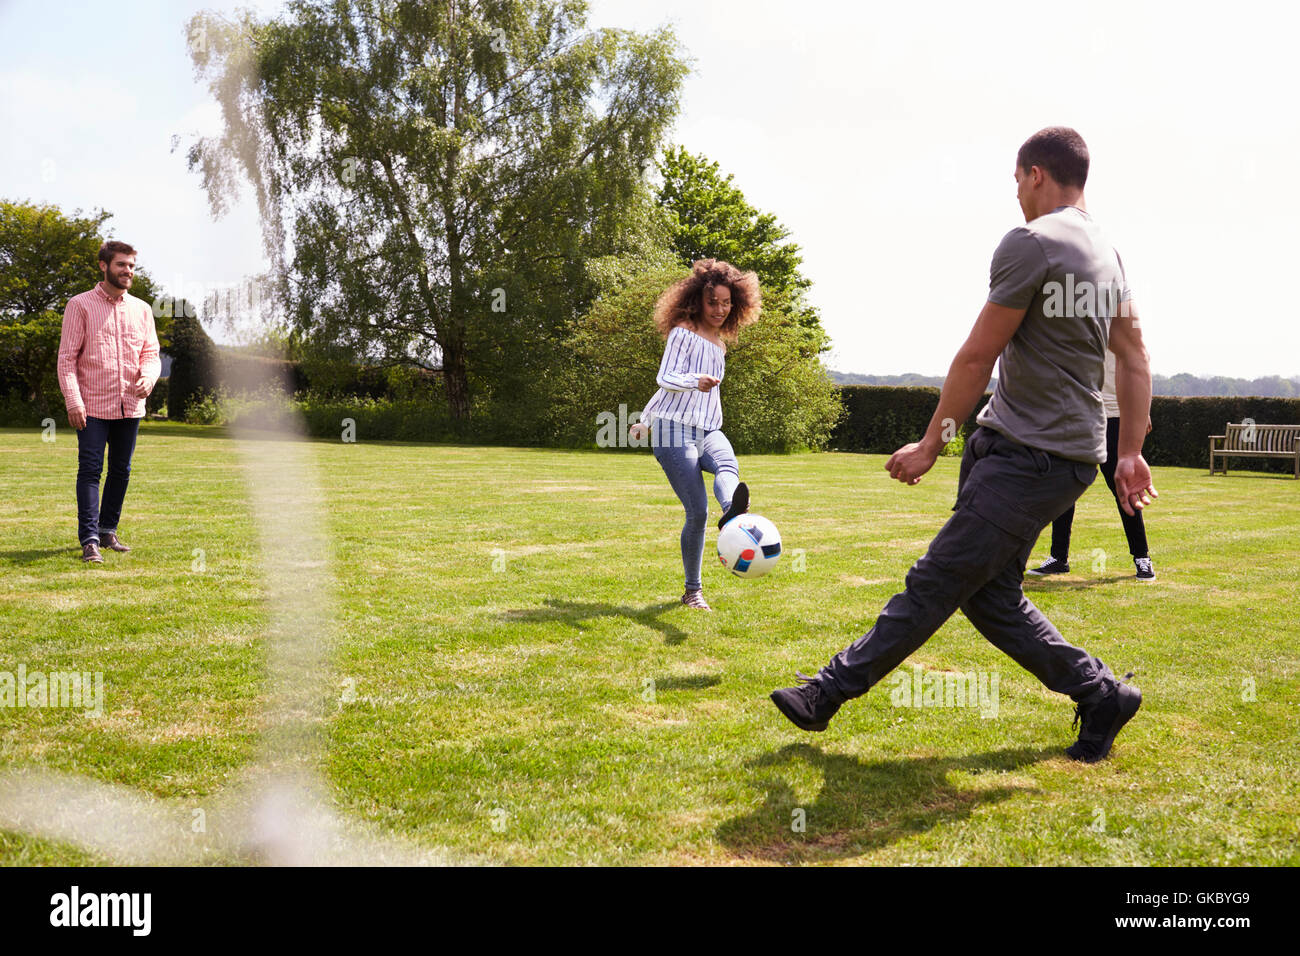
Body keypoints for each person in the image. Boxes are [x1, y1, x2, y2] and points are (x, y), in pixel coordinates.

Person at [770, 127, 1157, 763]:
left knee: (938, 579)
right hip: (1056, 455)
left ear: (1036, 174)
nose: (1015, 195)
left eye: (1016, 182)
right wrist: (1130, 449)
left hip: (1026, 458)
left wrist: (932, 443)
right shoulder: (1107, 253)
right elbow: (1135, 356)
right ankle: (1101, 694)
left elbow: (979, 356)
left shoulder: (1031, 242)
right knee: (991, 597)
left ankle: (827, 692)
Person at [629, 259, 761, 611]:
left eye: (726, 302)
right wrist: (651, 417)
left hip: (709, 428)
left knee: (727, 465)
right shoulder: (682, 331)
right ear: (697, 301)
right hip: (673, 430)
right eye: (712, 302)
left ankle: (733, 510)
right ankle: (692, 591)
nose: (719, 309)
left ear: (736, 304)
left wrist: (646, 415)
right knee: (697, 512)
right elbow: (665, 378)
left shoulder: (719, 345)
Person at [57, 240, 161, 564]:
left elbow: (151, 353)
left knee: (121, 470)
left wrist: (149, 376)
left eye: (131, 266)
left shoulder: (142, 309)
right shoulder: (80, 305)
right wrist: (73, 401)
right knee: (90, 470)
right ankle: (89, 540)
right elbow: (66, 359)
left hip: (130, 405)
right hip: (91, 406)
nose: (128, 271)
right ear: (104, 266)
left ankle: (107, 531)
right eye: (121, 265)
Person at [1027, 348, 1157, 581]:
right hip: (1079, 415)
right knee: (1065, 487)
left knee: (1124, 489)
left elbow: (1139, 365)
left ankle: (1142, 558)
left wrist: (1143, 409)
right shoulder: (1075, 324)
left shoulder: (1120, 324)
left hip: (1116, 416)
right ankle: (1058, 558)